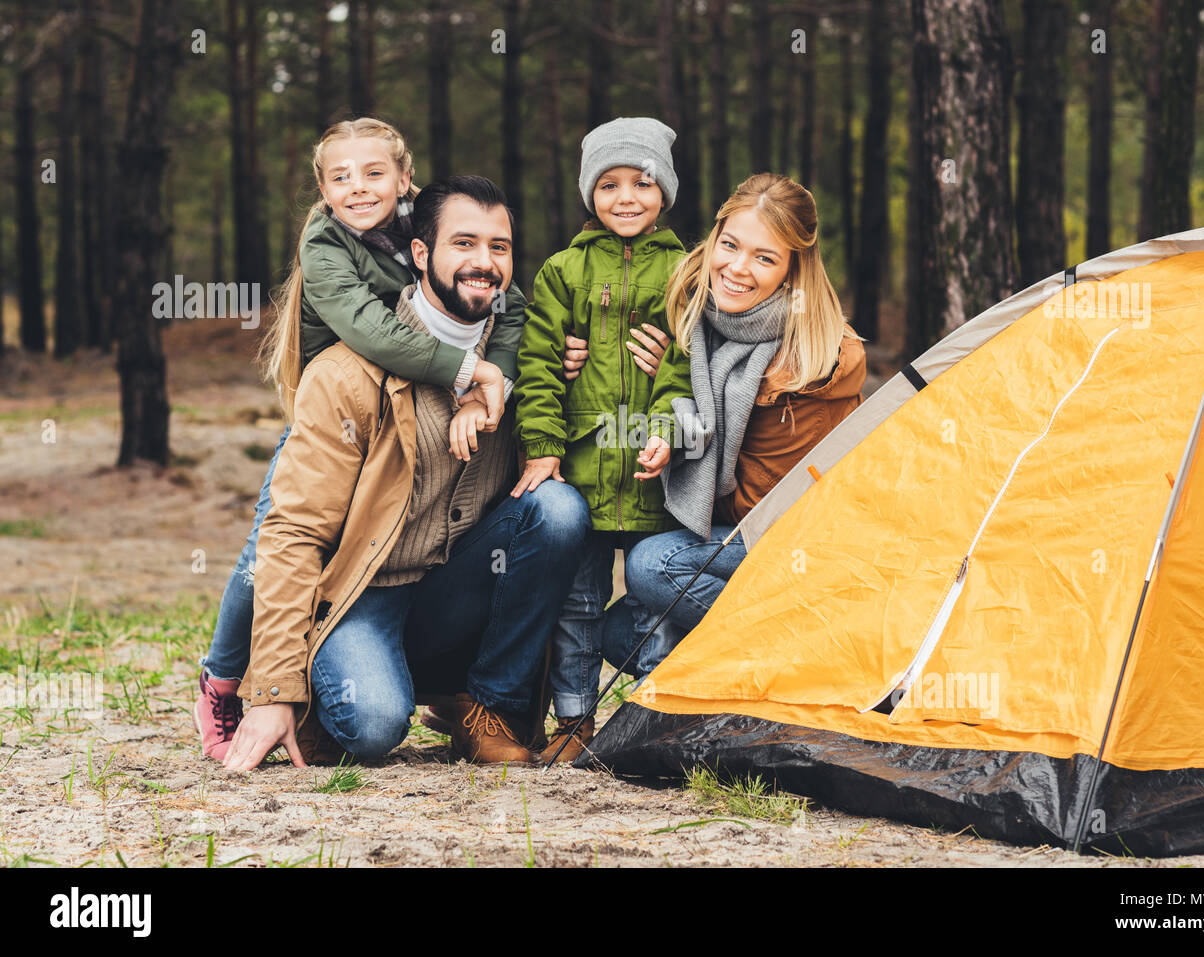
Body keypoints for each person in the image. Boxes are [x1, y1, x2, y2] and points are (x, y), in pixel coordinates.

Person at [219, 175, 590, 771]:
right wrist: (273, 690)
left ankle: (486, 706)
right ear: (420, 254)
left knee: (558, 509)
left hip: (459, 592)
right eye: (463, 243)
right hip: (366, 595)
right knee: (370, 728)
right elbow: (292, 535)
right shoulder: (346, 375)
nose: (484, 263)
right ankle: (336, 683)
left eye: (499, 247)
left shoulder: (528, 360)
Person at [586, 172, 867, 675]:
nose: (737, 269)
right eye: (731, 245)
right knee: (620, 632)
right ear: (714, 238)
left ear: (793, 269)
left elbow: (764, 512)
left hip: (797, 547)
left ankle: (802, 657)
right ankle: (726, 692)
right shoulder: (695, 310)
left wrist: (684, 407)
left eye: (765, 257)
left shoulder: (811, 359)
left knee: (654, 566)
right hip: (730, 539)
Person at [510, 117, 690, 763]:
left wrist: (666, 431)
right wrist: (545, 447)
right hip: (585, 467)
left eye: (642, 182)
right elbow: (537, 365)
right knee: (578, 603)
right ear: (590, 194)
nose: (625, 197)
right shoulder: (563, 270)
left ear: (664, 192)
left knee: (652, 602)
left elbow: (684, 367)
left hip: (651, 471)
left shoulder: (686, 271)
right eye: (609, 184)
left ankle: (653, 718)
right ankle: (575, 720)